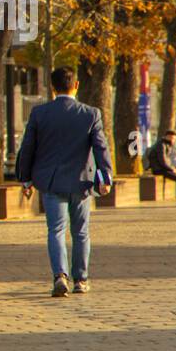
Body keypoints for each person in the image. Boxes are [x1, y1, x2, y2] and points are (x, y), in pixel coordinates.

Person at [15, 67, 114, 297]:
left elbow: (27, 148)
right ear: (76, 85)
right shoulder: (90, 114)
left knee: (56, 230)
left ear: (52, 87)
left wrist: (26, 178)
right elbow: (101, 147)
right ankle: (81, 279)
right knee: (80, 232)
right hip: (81, 182)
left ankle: (60, 276)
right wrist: (105, 177)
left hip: (51, 182)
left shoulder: (39, 114)